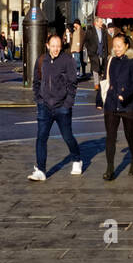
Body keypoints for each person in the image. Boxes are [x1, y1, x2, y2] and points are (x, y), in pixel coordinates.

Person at [29, 34, 82, 181]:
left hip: (62, 107)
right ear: (47, 46)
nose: (55, 49)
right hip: (44, 106)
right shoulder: (41, 61)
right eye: (53, 46)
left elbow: (73, 84)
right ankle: (41, 170)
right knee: (41, 137)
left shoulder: (67, 60)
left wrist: (67, 104)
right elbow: (37, 82)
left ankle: (77, 159)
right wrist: (39, 100)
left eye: (58, 46)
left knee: (67, 137)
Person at [97, 33, 133, 180]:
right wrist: (99, 99)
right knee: (110, 137)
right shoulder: (111, 61)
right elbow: (105, 80)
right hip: (111, 104)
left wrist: (125, 95)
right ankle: (110, 169)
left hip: (128, 106)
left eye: (119, 46)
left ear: (126, 46)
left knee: (130, 136)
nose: (116, 49)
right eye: (114, 46)